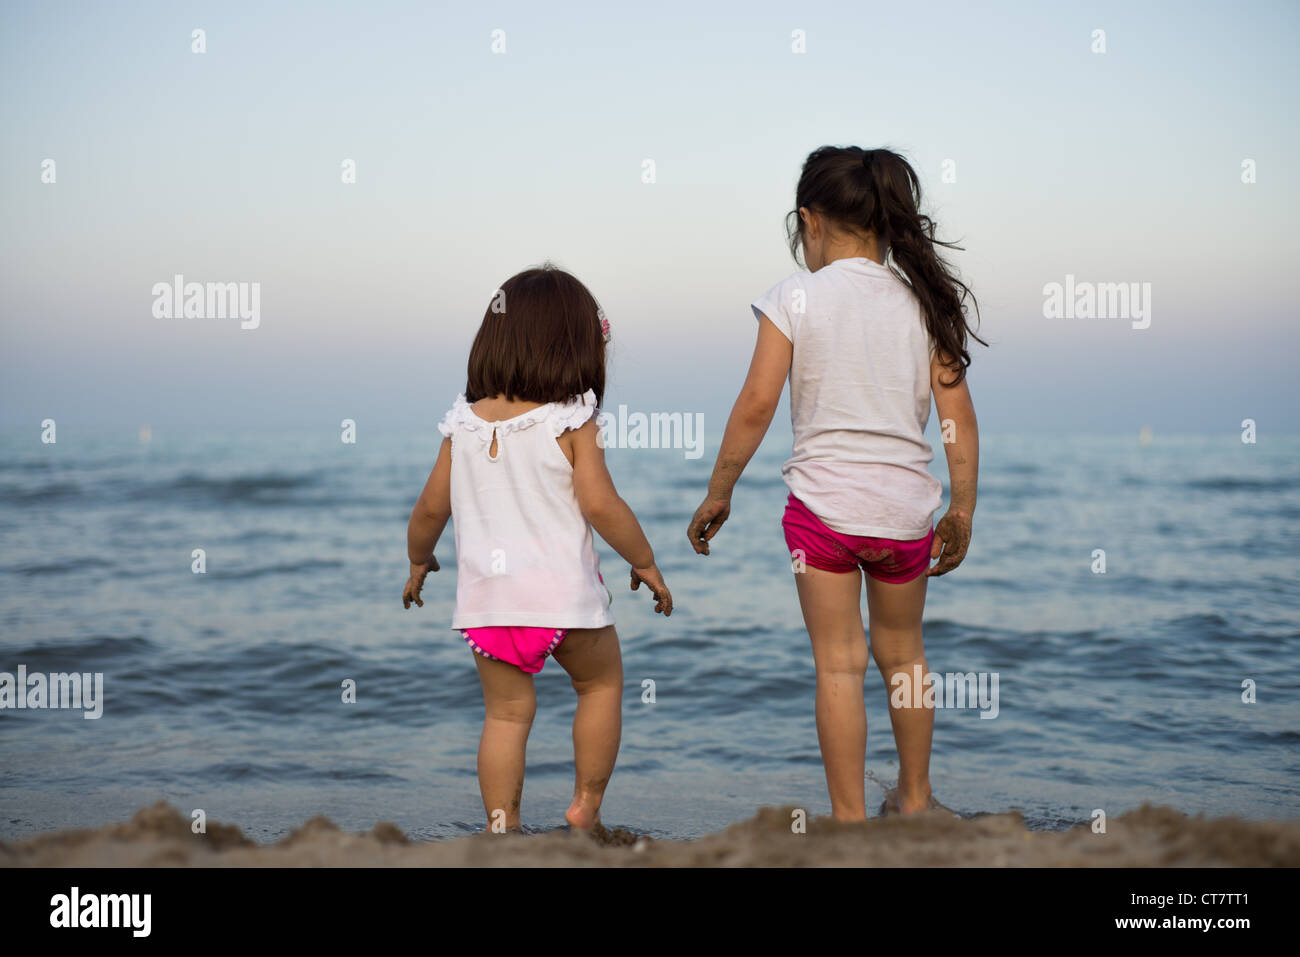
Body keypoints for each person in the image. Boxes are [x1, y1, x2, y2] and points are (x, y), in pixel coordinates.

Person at [687, 146, 983, 820]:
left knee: (839, 665)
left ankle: (849, 820)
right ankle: (913, 800)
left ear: (809, 221)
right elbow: (957, 418)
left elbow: (757, 403)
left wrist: (719, 489)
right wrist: (960, 508)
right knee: (904, 658)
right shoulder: (923, 303)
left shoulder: (794, 296)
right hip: (905, 513)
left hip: (821, 515)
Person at [404, 264, 672, 832]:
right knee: (600, 685)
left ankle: (501, 827)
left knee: (505, 715)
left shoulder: (464, 424)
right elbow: (601, 505)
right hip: (564, 598)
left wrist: (418, 559)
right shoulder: (572, 418)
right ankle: (584, 809)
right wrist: (643, 560)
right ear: (573, 345)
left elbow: (430, 509)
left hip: (490, 606)